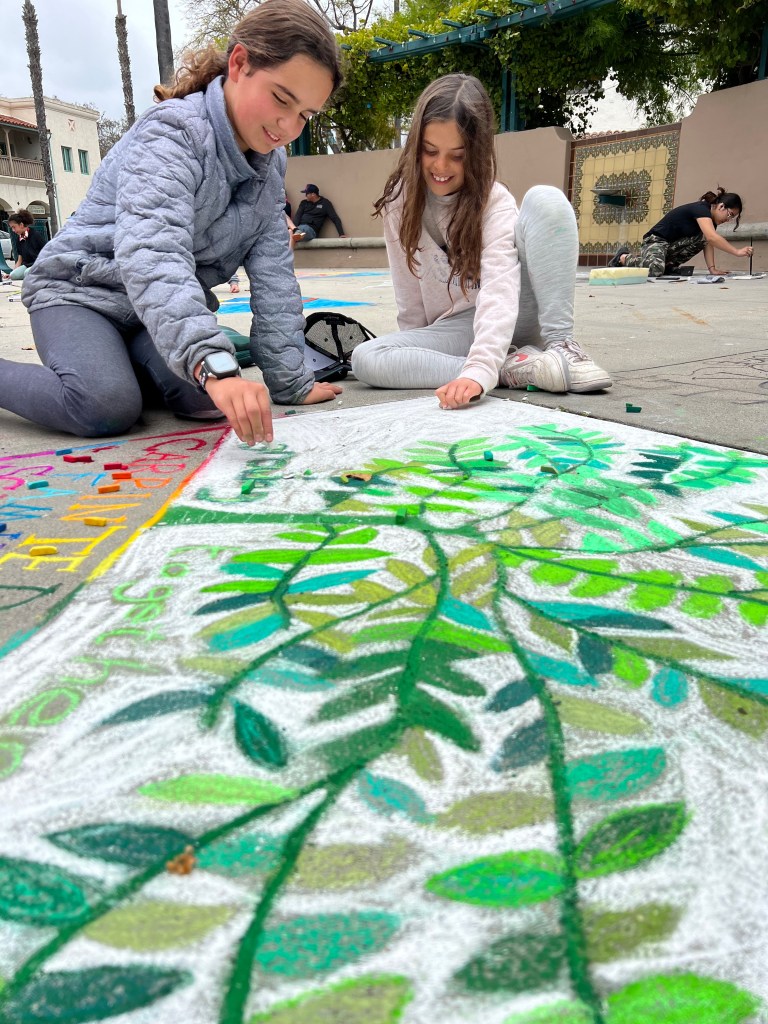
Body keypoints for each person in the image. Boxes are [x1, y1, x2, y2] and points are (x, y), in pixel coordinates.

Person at [0, 0, 342, 444]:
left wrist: (291, 382)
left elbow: (274, 274)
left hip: (150, 315)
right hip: (80, 292)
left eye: (305, 115)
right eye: (281, 98)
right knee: (104, 405)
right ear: (239, 63)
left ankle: (120, 362)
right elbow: (153, 253)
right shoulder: (172, 133)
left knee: (204, 400)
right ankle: (101, 367)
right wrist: (212, 364)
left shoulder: (270, 166)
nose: (288, 125)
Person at [351, 74, 611, 408]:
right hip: (462, 326)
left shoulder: (493, 200)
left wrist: (479, 369)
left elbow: (500, 290)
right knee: (368, 358)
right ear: (416, 144)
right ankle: (519, 369)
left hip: (517, 310)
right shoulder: (398, 204)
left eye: (457, 156)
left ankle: (561, 347)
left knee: (546, 199)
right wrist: (417, 350)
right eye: (430, 151)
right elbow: (409, 297)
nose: (441, 166)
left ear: (476, 152)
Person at [609, 188, 754, 277]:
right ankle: (623, 257)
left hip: (670, 246)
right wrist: (737, 252)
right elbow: (712, 238)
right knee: (655, 270)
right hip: (656, 240)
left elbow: (708, 241)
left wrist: (712, 269)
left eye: (732, 218)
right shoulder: (702, 209)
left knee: (664, 268)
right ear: (721, 206)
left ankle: (666, 264)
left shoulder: (710, 222)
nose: (728, 220)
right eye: (730, 215)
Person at [5, 210, 45, 281]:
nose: (13, 230)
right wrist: (12, 273)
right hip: (27, 265)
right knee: (13, 275)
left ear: (21, 225)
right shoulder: (18, 239)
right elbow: (20, 259)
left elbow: (46, 253)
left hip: (39, 264)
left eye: (14, 227)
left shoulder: (36, 235)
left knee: (27, 273)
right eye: (11, 228)